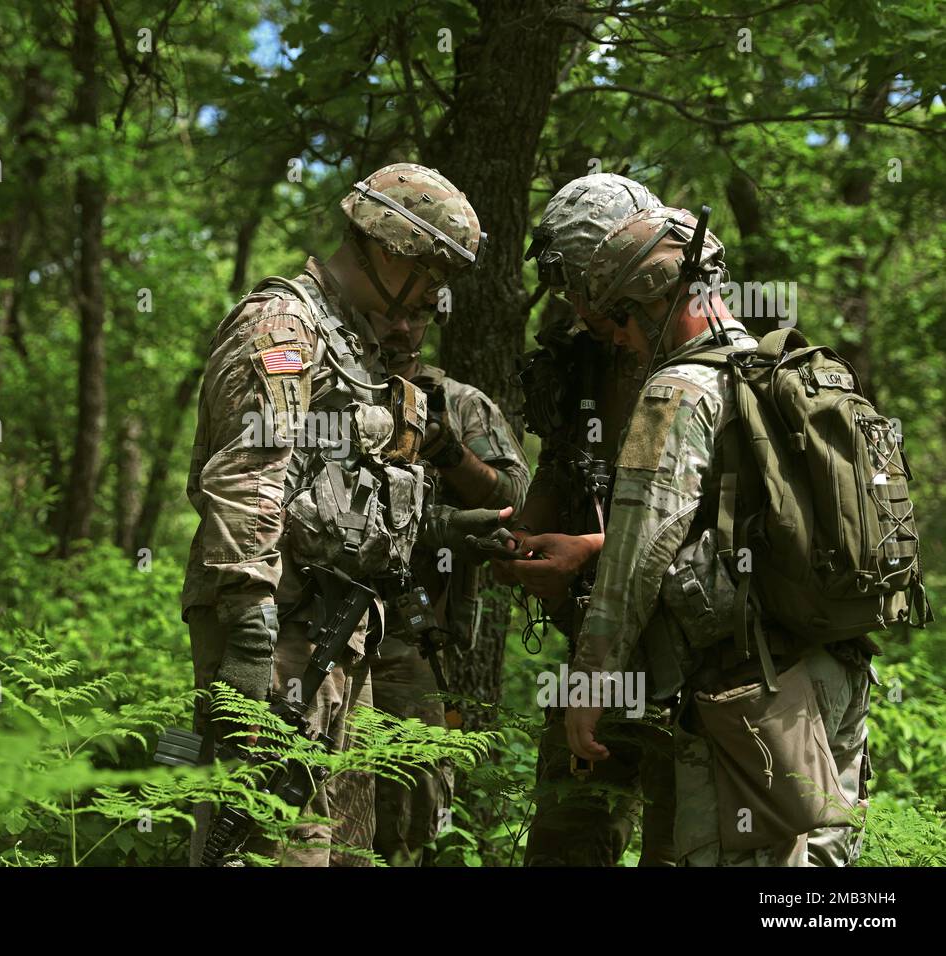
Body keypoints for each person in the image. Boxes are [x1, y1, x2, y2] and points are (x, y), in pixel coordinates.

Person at [181, 162, 515, 866]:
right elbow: (247, 483)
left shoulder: (355, 348)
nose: (434, 292)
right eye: (431, 269)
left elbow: (344, 496)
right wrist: (247, 642)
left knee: (345, 848)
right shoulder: (284, 328)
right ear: (389, 248)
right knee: (272, 843)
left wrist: (448, 528)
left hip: (341, 634)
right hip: (280, 636)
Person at [562, 205, 873, 866]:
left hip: (750, 694)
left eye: (620, 316)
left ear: (659, 300)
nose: (617, 338)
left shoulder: (672, 394)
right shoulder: (781, 372)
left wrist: (589, 686)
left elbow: (635, 553)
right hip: (837, 670)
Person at [500, 173, 677, 866]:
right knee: (567, 844)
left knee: (681, 848)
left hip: (691, 658)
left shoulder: (708, 364)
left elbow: (720, 525)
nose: (581, 304)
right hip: (592, 650)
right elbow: (558, 469)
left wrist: (591, 552)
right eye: (571, 288)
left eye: (593, 285)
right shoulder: (575, 363)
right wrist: (521, 541)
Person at [367, 289, 530, 866]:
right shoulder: (333, 389)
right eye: (390, 309)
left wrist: (450, 453)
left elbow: (516, 500)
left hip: (411, 637)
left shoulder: (460, 403)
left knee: (413, 806)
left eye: (415, 313)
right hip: (320, 625)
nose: (400, 324)